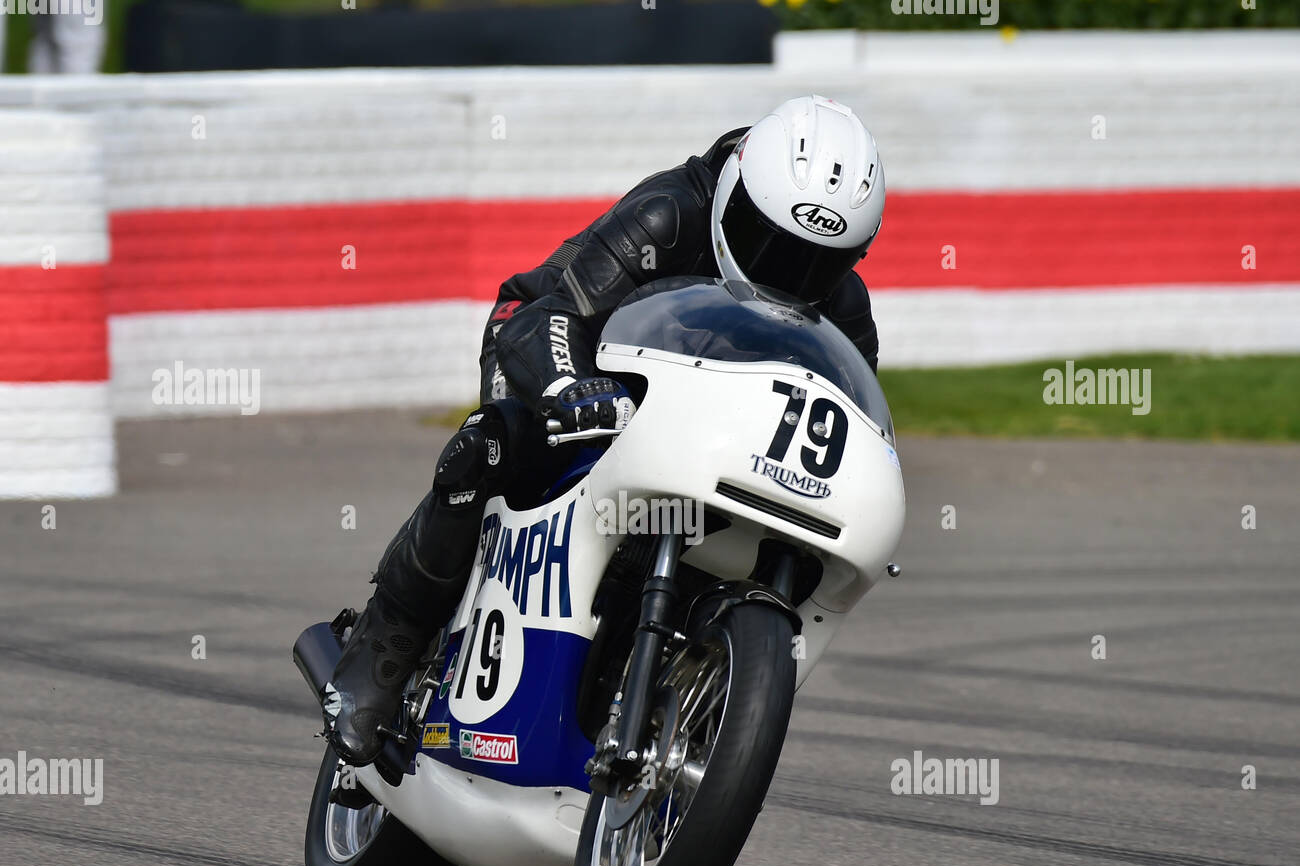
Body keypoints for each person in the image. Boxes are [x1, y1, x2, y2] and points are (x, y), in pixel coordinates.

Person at [322, 94, 887, 774]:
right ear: (735, 192)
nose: (787, 277)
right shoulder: (670, 215)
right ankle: (387, 644)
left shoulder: (845, 313)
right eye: (770, 245)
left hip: (688, 421)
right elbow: (561, 313)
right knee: (497, 443)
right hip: (549, 340)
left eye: (814, 264)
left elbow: (844, 425)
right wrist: (568, 386)